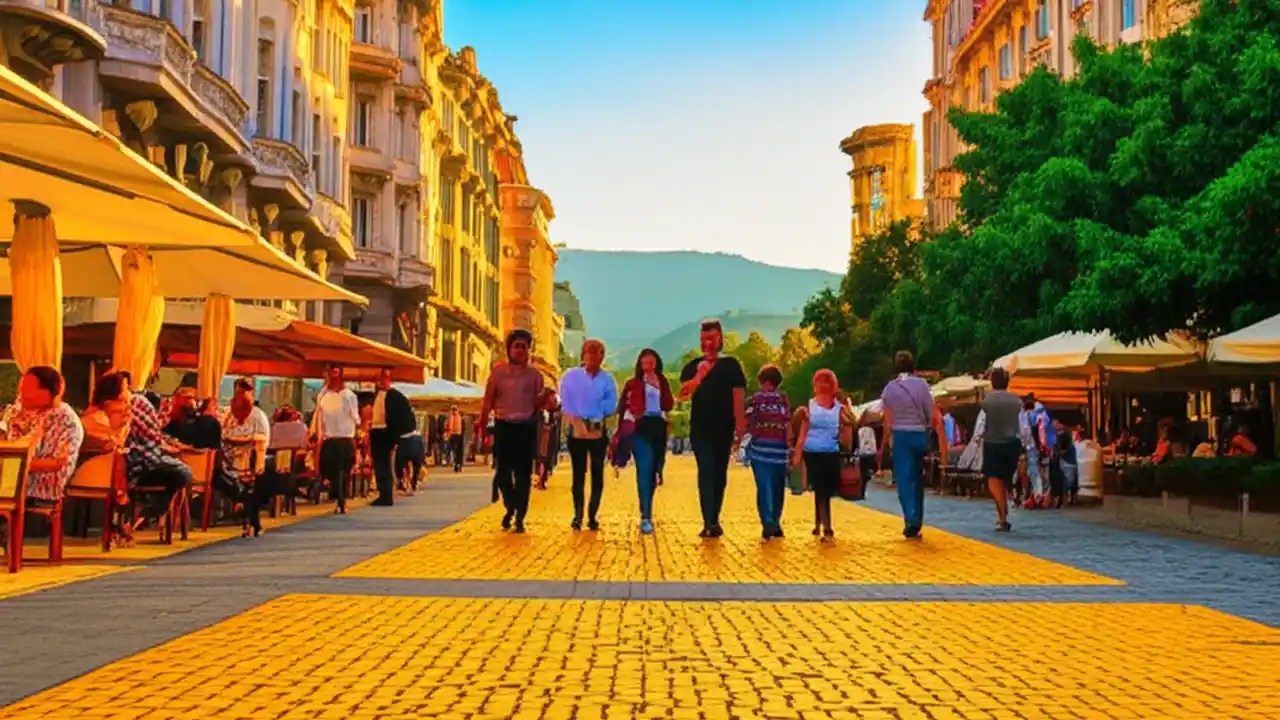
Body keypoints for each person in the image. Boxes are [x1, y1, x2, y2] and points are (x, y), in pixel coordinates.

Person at [679, 319, 747, 539]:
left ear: (720, 339)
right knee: (706, 471)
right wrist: (699, 376)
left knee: (719, 474)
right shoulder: (692, 366)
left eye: (710, 338)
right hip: (700, 429)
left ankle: (714, 518)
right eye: (703, 339)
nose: (706, 343)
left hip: (724, 428)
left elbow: (738, 397)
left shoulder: (731, 365)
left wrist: (740, 428)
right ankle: (708, 521)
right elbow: (683, 395)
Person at [480, 329, 546, 533]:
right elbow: (488, 400)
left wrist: (547, 401)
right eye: (516, 346)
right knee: (502, 473)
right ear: (509, 348)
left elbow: (539, 404)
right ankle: (511, 506)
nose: (520, 350)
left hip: (526, 428)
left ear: (528, 350)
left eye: (524, 347)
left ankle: (519, 518)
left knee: (523, 475)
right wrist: (482, 425)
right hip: (504, 427)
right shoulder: (497, 373)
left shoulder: (535, 376)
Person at [879, 351, 947, 539]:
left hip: (901, 436)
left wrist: (884, 445)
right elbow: (932, 414)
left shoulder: (890, 389)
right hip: (920, 435)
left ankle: (911, 519)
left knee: (904, 479)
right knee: (917, 479)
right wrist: (942, 444)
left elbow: (887, 421)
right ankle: (917, 517)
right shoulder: (922, 385)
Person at [1, 366, 84, 509]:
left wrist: (13, 464)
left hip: (38, 491)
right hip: (9, 485)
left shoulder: (63, 418)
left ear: (47, 393)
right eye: (20, 389)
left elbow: (57, 463)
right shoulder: (16, 412)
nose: (21, 395)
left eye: (26, 390)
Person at [558, 338, 617, 531]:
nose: (593, 355)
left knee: (597, 474)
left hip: (597, 431)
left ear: (602, 356)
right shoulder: (570, 377)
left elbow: (611, 404)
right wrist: (577, 419)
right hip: (576, 431)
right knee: (578, 474)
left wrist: (596, 415)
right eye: (589, 351)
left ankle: (592, 514)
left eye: (597, 352)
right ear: (583, 354)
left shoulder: (607, 380)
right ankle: (578, 514)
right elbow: (566, 401)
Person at [792, 369, 852, 542]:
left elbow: (847, 431)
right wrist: (798, 455)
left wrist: (797, 455)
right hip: (817, 452)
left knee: (822, 490)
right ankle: (827, 527)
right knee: (822, 489)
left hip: (825, 452)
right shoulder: (814, 408)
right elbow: (803, 433)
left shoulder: (834, 408)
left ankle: (819, 523)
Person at [619, 349, 674, 535]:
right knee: (644, 469)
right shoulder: (633, 384)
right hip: (640, 427)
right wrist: (622, 432)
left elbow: (669, 404)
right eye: (645, 363)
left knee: (655, 471)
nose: (648, 366)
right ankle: (646, 516)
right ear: (640, 365)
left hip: (658, 427)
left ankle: (647, 505)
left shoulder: (662, 381)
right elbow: (623, 408)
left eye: (651, 363)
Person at [745, 364, 789, 540]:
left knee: (764, 487)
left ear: (762, 381)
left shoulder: (755, 400)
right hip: (780, 451)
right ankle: (775, 522)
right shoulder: (783, 400)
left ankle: (767, 521)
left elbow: (747, 420)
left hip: (760, 451)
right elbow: (788, 423)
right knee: (778, 488)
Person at [977, 367, 1022, 532]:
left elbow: (981, 425)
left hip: (993, 444)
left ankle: (1002, 515)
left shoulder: (987, 401)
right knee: (1004, 478)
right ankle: (1006, 504)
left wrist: (977, 439)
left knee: (994, 480)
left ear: (992, 382)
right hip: (1012, 443)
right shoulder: (1017, 401)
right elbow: (1022, 426)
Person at [310, 366, 359, 514]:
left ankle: (341, 501)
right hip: (330, 440)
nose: (333, 378)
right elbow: (319, 416)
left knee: (343, 472)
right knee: (334, 472)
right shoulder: (323, 396)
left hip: (345, 439)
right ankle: (338, 499)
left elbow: (355, 418)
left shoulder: (349, 396)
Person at [370, 368, 416, 505]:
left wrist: (395, 436)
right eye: (380, 378)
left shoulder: (395, 396)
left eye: (385, 378)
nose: (381, 381)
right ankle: (383, 494)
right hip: (376, 432)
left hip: (385, 433)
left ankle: (386, 496)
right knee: (379, 465)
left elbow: (402, 418)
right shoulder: (377, 395)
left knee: (384, 465)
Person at [1051, 418, 1078, 507]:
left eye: (1054, 424)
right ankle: (1068, 499)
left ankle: (1065, 499)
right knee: (1068, 481)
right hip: (1069, 461)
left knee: (1067, 481)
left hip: (1067, 461)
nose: (1053, 426)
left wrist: (1057, 452)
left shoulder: (1063, 434)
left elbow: (1063, 450)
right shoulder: (1065, 432)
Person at [856, 414, 878, 500]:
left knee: (863, 473)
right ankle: (869, 475)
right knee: (866, 473)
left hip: (863, 453)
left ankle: (861, 493)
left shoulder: (859, 430)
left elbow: (858, 442)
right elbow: (873, 441)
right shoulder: (871, 430)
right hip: (870, 453)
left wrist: (857, 452)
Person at [445, 405, 464, 472]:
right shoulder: (459, 416)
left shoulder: (451, 416)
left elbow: (450, 426)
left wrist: (448, 435)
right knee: (459, 451)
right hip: (459, 435)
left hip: (453, 435)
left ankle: (456, 465)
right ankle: (459, 465)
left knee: (454, 451)